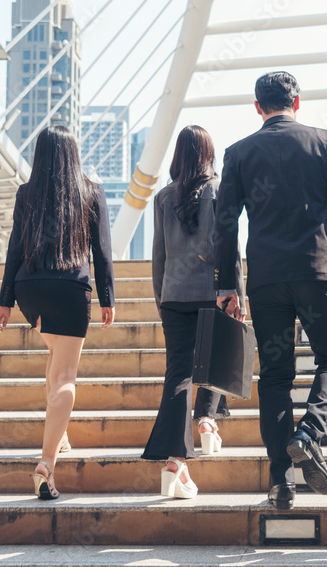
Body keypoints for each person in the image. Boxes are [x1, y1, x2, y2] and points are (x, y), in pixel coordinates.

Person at [214, 71, 327, 510]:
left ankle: (281, 483)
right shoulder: (324, 141)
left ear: (258, 107)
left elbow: (224, 224)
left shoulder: (238, 153)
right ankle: (309, 431)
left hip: (267, 279)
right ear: (298, 101)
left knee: (274, 376)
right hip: (319, 272)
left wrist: (227, 284)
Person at [0, 124, 116, 500]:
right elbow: (102, 252)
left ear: (40, 155)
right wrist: (108, 297)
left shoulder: (26, 193)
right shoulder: (91, 192)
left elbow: (15, 248)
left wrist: (5, 300)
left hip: (30, 289)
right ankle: (46, 462)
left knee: (54, 357)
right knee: (65, 374)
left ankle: (58, 437)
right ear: (74, 154)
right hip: (70, 289)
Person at [142, 125, 245, 498]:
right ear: (208, 154)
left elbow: (158, 255)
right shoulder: (218, 191)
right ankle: (206, 422)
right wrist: (237, 295)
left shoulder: (163, 197)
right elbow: (228, 249)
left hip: (173, 294)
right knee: (216, 362)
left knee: (178, 375)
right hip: (212, 292)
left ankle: (175, 462)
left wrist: (161, 297)